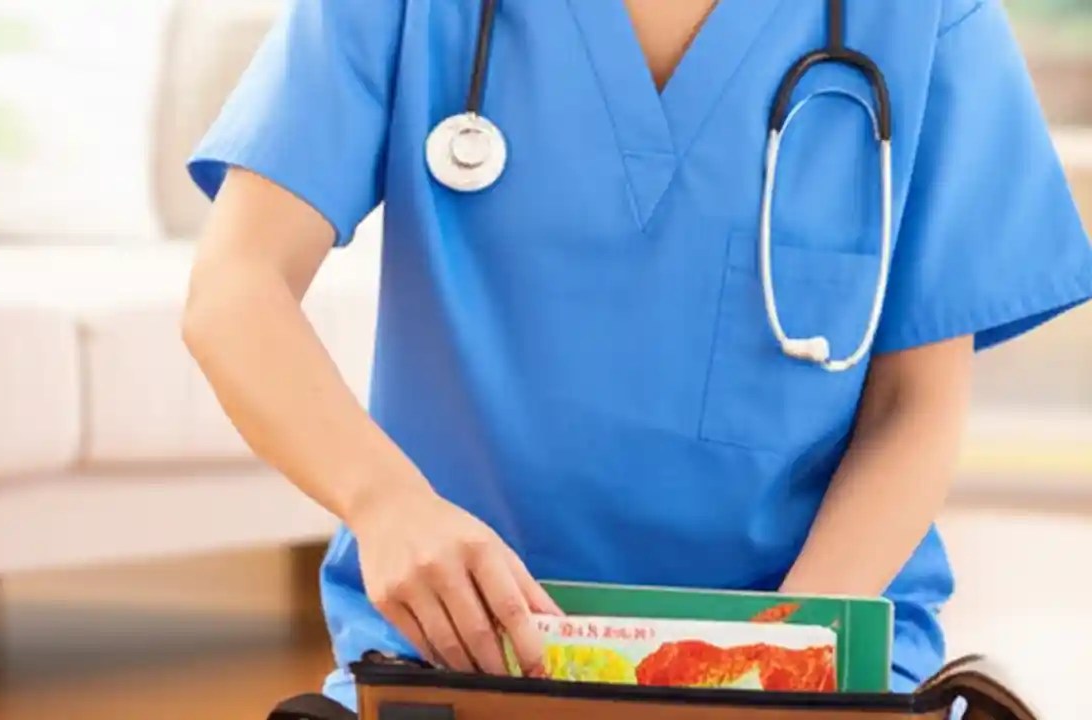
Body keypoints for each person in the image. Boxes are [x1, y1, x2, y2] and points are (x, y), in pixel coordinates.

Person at [182, 0, 1092, 710]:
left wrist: (774, 659)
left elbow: (912, 403)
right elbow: (236, 290)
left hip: (815, 645)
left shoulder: (925, 18)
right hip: (469, 650)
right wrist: (386, 504)